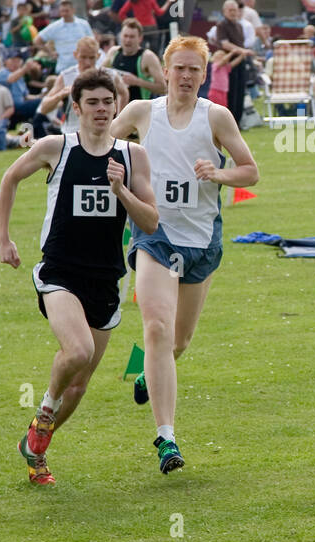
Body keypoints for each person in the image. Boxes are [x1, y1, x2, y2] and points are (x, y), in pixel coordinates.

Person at [0, 69, 158, 486]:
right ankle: (44, 414)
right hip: (60, 273)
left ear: (117, 104)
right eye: (93, 102)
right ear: (77, 107)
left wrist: (123, 192)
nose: (102, 109)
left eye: (108, 101)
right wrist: (5, 238)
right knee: (78, 351)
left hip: (106, 279)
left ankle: (35, 447)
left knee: (81, 386)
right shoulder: (57, 147)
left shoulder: (132, 156)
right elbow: (10, 178)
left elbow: (151, 221)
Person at [109, 37, 259, 475]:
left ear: (204, 74)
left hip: (201, 243)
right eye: (181, 68)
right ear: (166, 71)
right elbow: (100, 144)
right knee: (155, 328)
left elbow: (250, 170)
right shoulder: (141, 113)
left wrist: (220, 173)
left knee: (178, 341)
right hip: (154, 234)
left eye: (196, 69)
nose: (188, 76)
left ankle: (146, 377)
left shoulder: (216, 116)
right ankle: (166, 437)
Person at [104, 18, 166, 100]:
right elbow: (100, 73)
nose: (128, 40)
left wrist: (137, 82)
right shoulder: (114, 52)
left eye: (132, 37)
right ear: (120, 36)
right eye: (125, 36)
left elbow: (163, 88)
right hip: (116, 108)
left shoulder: (147, 57)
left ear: (140, 38)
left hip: (139, 109)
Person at [34, 0, 94, 74]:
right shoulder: (55, 26)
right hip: (64, 68)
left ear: (73, 10)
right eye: (62, 11)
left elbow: (93, 43)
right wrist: (51, 53)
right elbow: (37, 41)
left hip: (83, 68)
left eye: (67, 11)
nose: (64, 13)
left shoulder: (83, 24)